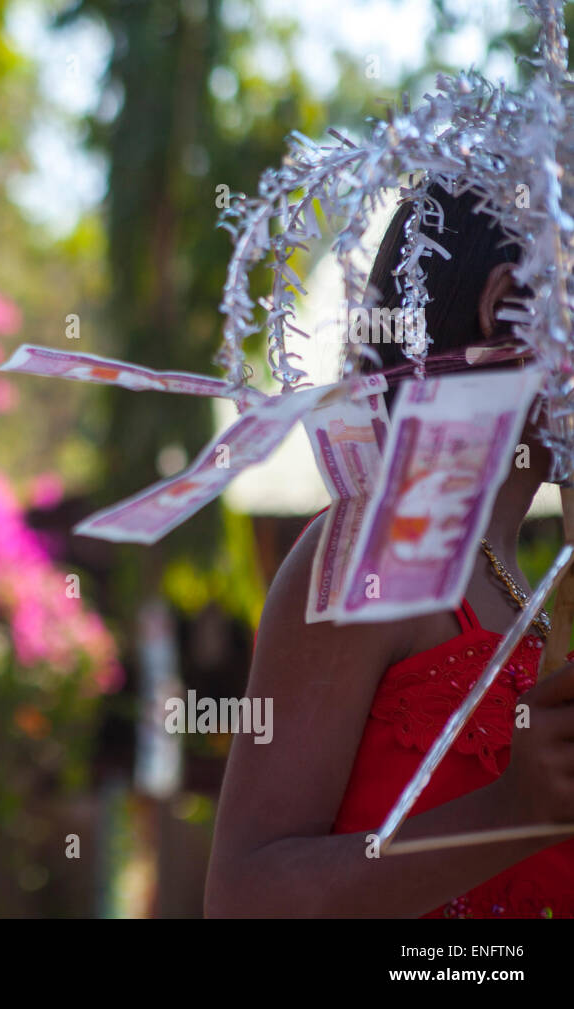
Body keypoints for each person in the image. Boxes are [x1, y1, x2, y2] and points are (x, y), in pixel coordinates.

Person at [205, 182, 574, 918]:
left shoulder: (524, 584)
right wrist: (509, 813)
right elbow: (245, 898)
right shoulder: (381, 547)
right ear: (509, 309)